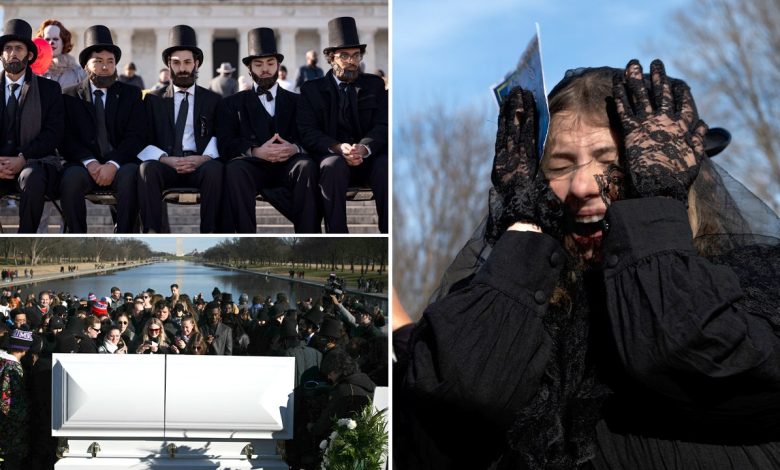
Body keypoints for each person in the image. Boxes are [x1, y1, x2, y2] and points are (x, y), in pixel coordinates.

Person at [397, 60, 780, 469]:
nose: (581, 186)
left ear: (667, 167)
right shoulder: (509, 307)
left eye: (611, 159)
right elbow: (459, 394)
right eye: (559, 167)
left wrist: (651, 206)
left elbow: (687, 350)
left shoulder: (752, 285)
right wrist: (525, 225)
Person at [218, 27, 319, 233]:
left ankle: (309, 234)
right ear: (249, 68)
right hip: (254, 166)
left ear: (278, 66)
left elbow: (309, 134)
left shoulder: (298, 101)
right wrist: (254, 151)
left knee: (306, 165)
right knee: (235, 169)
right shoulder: (232, 104)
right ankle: (245, 237)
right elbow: (226, 142)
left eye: (270, 63)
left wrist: (295, 148)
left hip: (289, 165)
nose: (265, 69)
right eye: (258, 64)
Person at [298, 16, 388, 233]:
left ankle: (388, 234)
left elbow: (383, 124)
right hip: (332, 157)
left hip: (369, 158)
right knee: (332, 166)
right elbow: (307, 131)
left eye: (356, 55)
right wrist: (338, 148)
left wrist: (364, 148)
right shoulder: (312, 89)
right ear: (331, 58)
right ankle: (337, 234)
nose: (352, 61)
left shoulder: (374, 85)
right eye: (345, 55)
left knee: (386, 166)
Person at [137, 24, 223, 233]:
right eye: (176, 63)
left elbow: (221, 135)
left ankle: (210, 232)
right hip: (166, 163)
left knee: (216, 170)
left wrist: (203, 158)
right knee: (146, 170)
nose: (182, 68)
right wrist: (166, 159)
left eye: (187, 62)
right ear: (169, 65)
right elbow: (141, 137)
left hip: (200, 164)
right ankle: (153, 232)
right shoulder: (152, 100)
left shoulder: (213, 99)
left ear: (196, 64)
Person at [59, 24, 145, 233]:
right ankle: (78, 237)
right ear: (86, 66)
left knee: (132, 175)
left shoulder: (131, 94)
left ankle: (125, 235)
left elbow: (136, 136)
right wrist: (90, 163)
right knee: (70, 179)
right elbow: (65, 138)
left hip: (121, 163)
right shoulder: (68, 96)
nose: (105, 67)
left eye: (110, 62)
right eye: (98, 62)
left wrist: (113, 163)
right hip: (84, 165)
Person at [0, 19, 65, 233]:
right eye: (7, 49)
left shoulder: (49, 90)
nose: (12, 53)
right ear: (1, 55)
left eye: (19, 48)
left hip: (34, 163)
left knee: (32, 177)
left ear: (29, 55)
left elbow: (53, 133)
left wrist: (22, 158)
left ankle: (25, 237)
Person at [0, 328, 34, 469]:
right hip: (11, 429)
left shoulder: (2, 362)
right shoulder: (14, 368)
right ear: (25, 350)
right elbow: (9, 402)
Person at [35, 19, 86, 88]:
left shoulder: (77, 73)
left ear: (63, 43)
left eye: (55, 39)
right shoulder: (33, 72)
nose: (51, 42)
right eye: (47, 39)